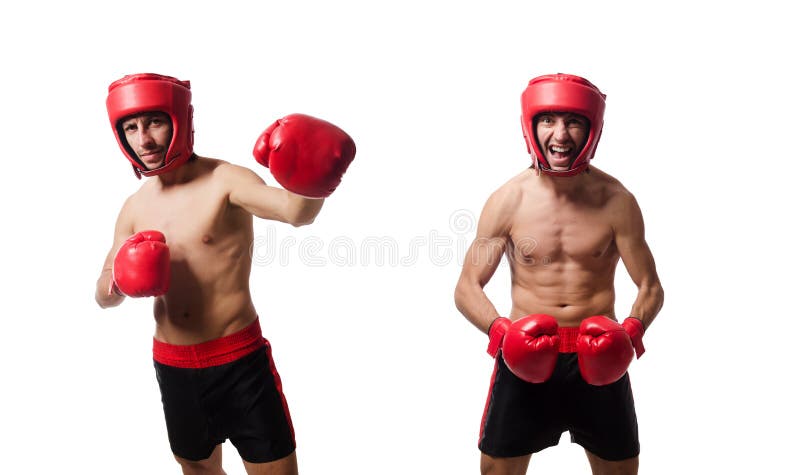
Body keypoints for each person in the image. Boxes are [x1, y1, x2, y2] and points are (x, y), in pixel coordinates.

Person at [95, 73, 355, 475]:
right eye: (131, 127)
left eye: (154, 123)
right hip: (173, 366)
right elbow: (103, 292)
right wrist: (119, 281)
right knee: (196, 468)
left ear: (181, 120)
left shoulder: (224, 180)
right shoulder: (134, 207)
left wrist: (311, 177)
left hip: (239, 363)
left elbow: (294, 213)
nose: (143, 140)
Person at [454, 73, 664, 475]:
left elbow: (650, 287)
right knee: (497, 471)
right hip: (523, 358)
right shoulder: (507, 200)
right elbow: (467, 286)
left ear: (592, 129)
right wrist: (501, 333)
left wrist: (631, 333)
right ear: (531, 126)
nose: (560, 134)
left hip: (600, 358)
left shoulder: (618, 201)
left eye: (573, 121)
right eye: (548, 119)